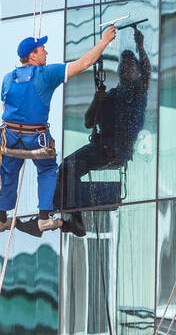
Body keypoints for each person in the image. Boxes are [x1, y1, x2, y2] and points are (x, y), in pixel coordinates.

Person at [0, 25, 116, 237]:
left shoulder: (8, 78)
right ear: (33, 55)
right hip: (35, 138)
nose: (46, 53)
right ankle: (43, 218)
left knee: (8, 169)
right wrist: (104, 41)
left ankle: (1, 218)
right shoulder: (46, 74)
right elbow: (84, 63)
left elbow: (5, 107)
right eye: (43, 49)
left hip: (11, 136)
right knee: (48, 169)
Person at [57, 25, 151, 237]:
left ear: (136, 71)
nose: (125, 69)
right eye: (123, 66)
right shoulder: (110, 95)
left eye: (130, 66)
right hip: (105, 146)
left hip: (114, 148)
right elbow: (89, 122)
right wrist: (96, 102)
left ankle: (74, 217)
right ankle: (71, 215)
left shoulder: (137, 92)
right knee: (65, 168)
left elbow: (147, 72)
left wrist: (140, 46)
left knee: (68, 167)